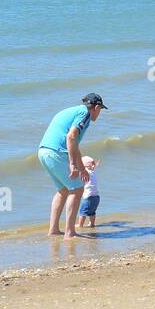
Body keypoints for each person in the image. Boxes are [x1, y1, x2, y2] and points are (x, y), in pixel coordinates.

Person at [37, 93, 105, 238]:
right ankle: (70, 232)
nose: (99, 113)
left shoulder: (73, 111)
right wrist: (73, 165)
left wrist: (82, 169)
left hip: (44, 152)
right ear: (96, 107)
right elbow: (71, 137)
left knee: (63, 190)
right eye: (100, 110)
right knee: (77, 189)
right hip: (57, 152)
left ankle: (54, 230)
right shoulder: (85, 113)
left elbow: (74, 146)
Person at [76, 158, 101, 229]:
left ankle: (80, 225)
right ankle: (92, 224)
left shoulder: (85, 172)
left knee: (82, 212)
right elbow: (91, 167)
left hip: (88, 196)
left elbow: (80, 172)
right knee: (92, 212)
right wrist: (94, 165)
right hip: (96, 197)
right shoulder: (92, 172)